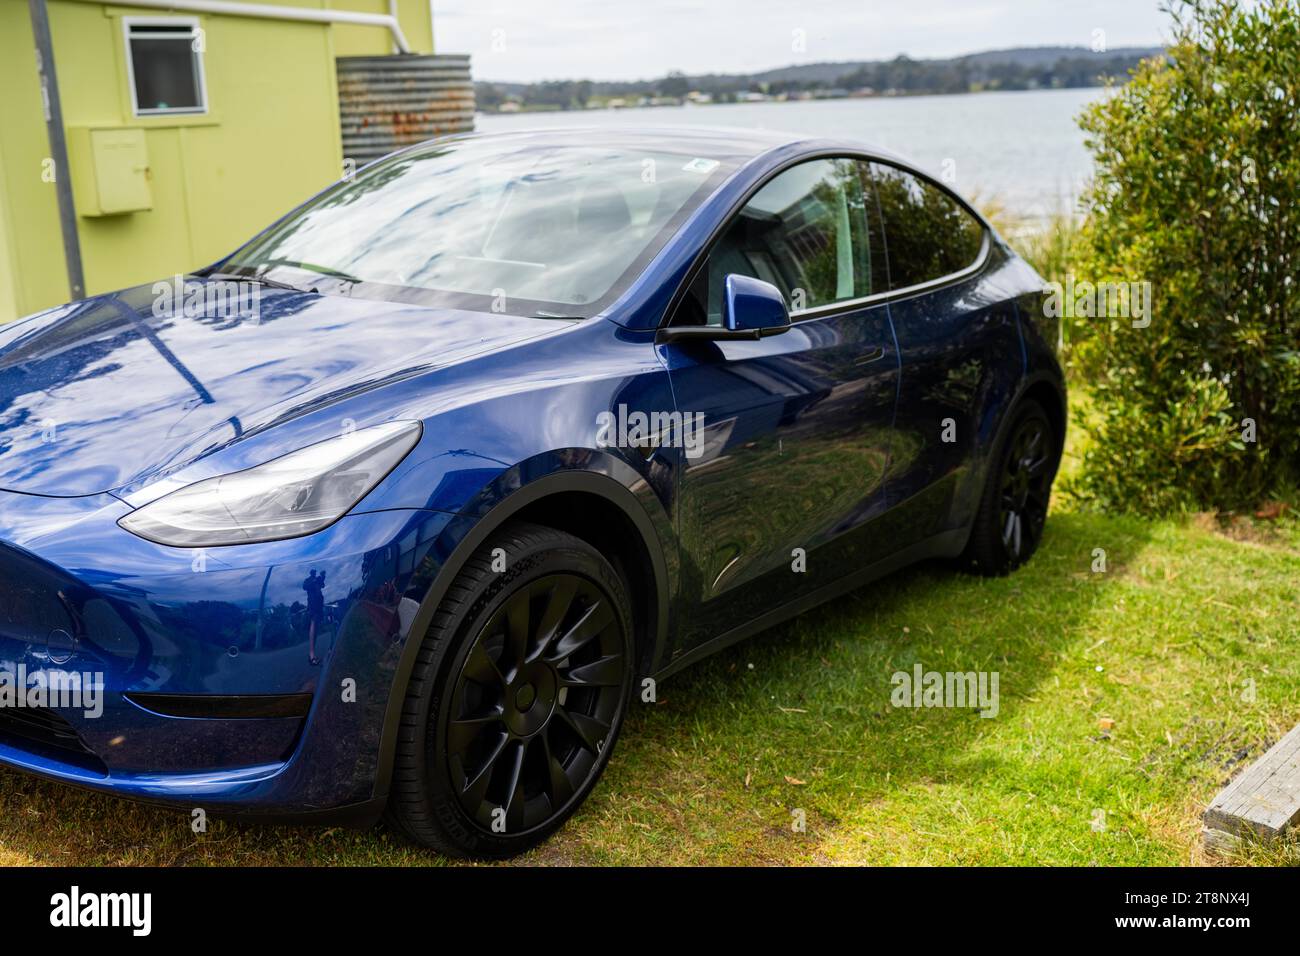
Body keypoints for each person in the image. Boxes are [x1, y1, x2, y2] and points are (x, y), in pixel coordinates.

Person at [303, 569, 326, 665]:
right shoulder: (308, 580)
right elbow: (305, 587)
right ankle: (311, 654)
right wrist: (314, 581)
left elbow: (322, 585)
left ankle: (313, 652)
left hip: (319, 602)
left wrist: (322, 576)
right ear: (310, 573)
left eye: (314, 572)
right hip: (313, 603)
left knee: (316, 625)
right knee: (313, 622)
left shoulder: (317, 578)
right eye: (312, 572)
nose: (313, 573)